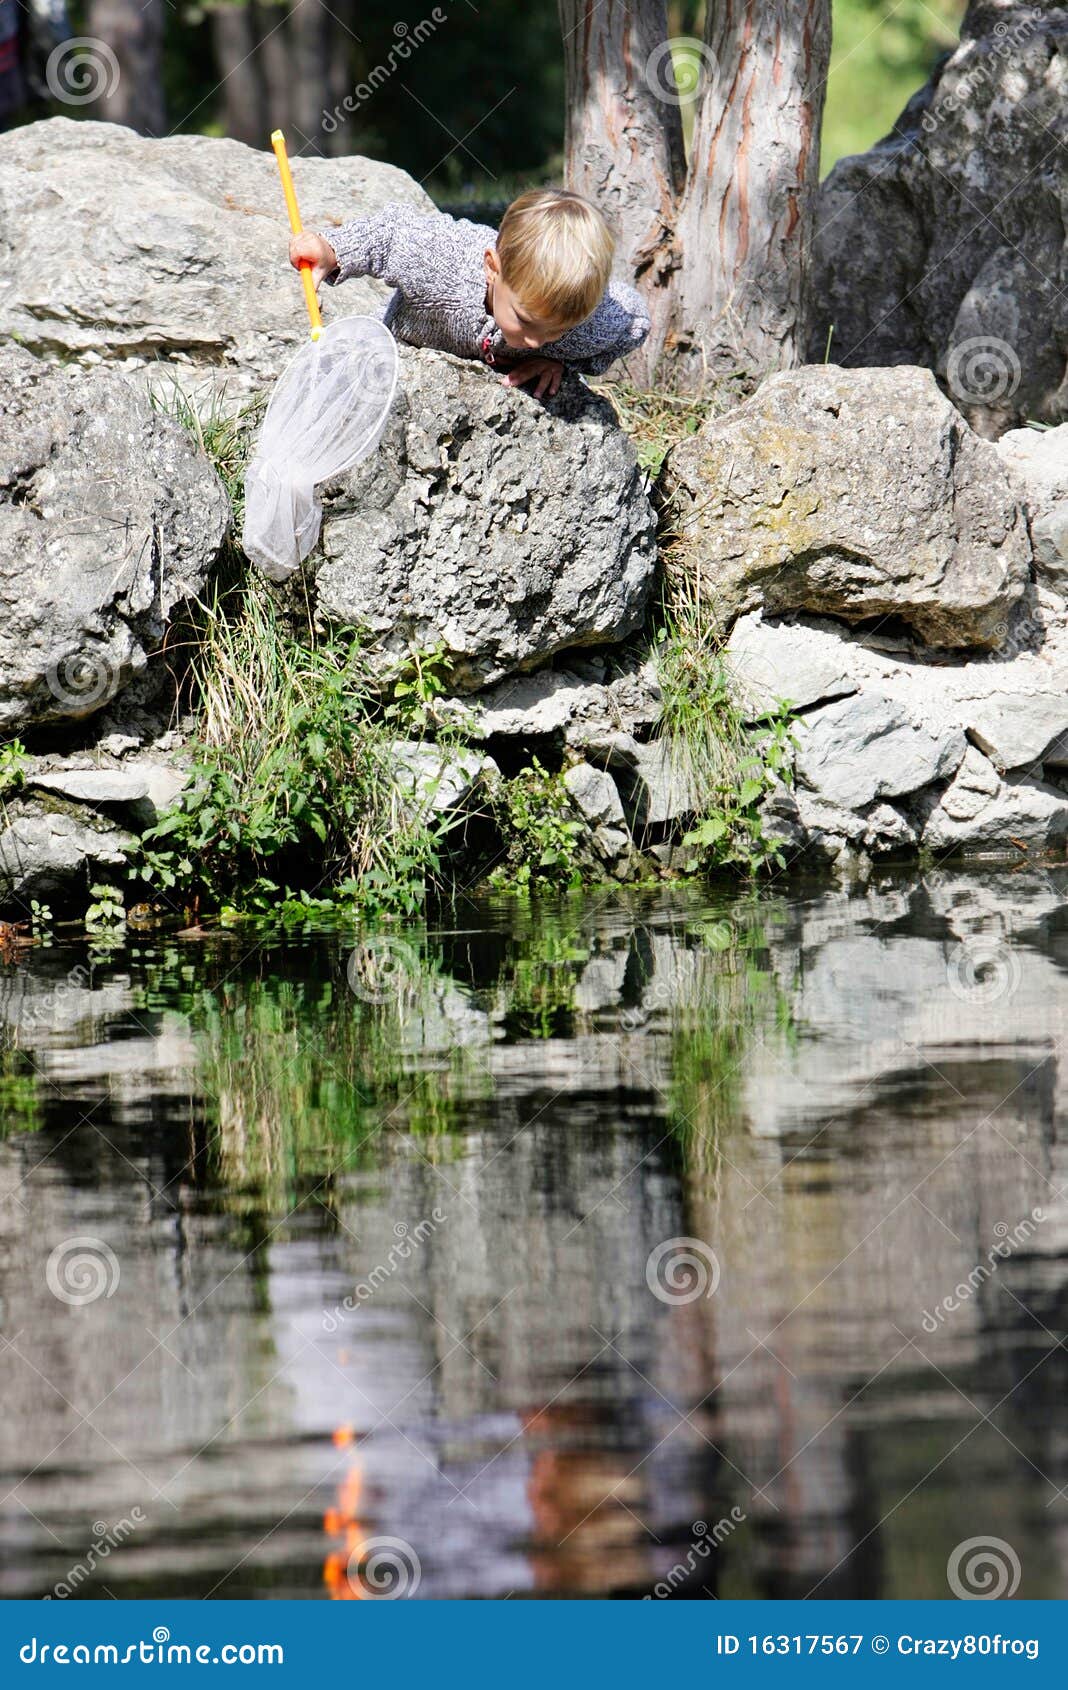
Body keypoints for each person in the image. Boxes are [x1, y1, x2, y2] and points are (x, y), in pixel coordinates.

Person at [289, 188, 650, 399]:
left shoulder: (592, 322)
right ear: (492, 267)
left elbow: (636, 321)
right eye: (525, 320)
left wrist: (565, 362)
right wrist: (332, 249)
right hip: (396, 353)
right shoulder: (444, 261)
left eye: (557, 330)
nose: (537, 342)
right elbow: (391, 233)